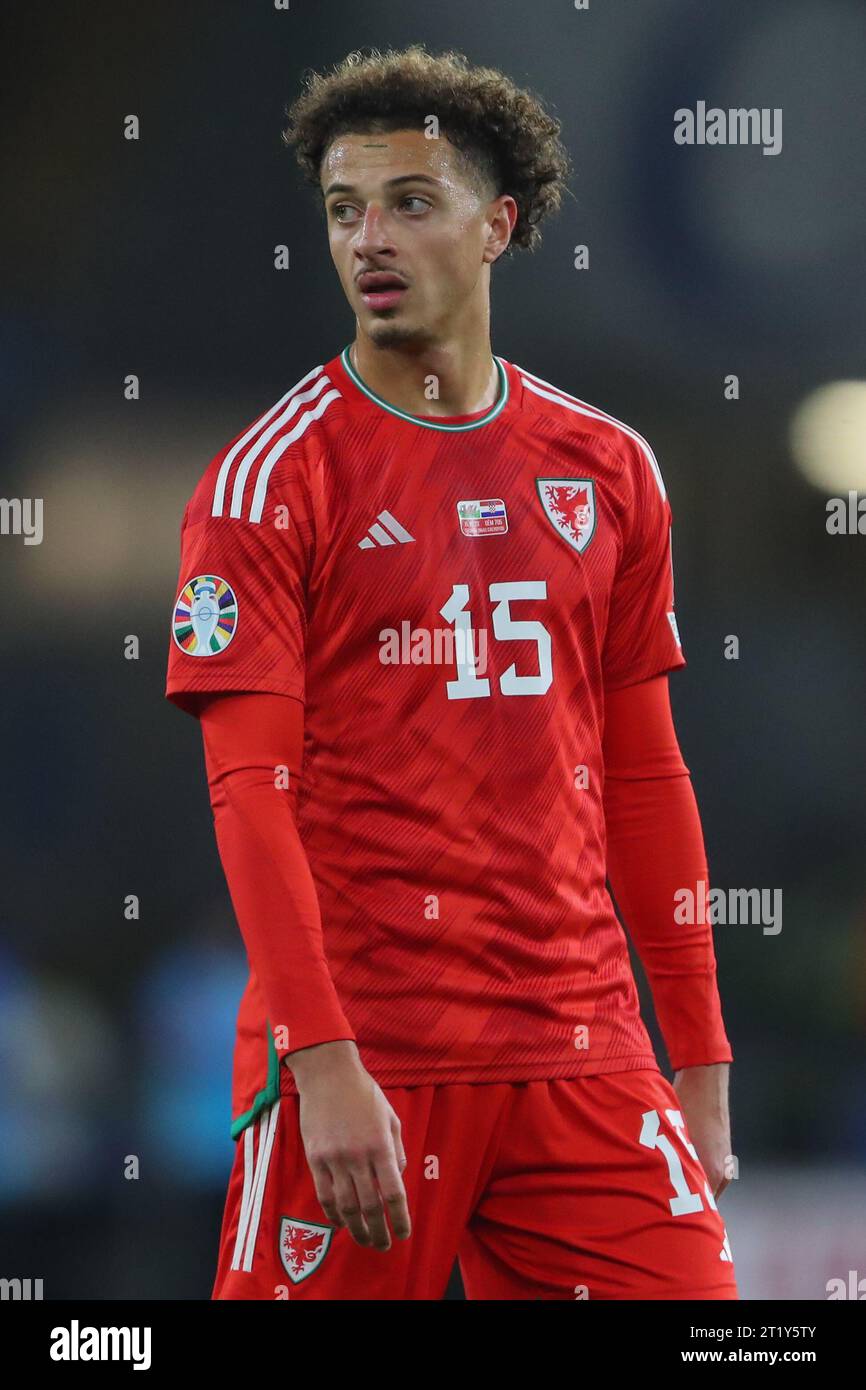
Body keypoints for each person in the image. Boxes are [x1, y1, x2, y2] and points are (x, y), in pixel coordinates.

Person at [166, 44, 737, 1300]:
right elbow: (248, 794)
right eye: (341, 209)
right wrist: (320, 1064)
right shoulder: (269, 484)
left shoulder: (608, 468)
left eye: (409, 202)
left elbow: (645, 776)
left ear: (498, 226)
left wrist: (692, 1053)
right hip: (370, 1059)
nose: (368, 237)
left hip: (582, 1053)